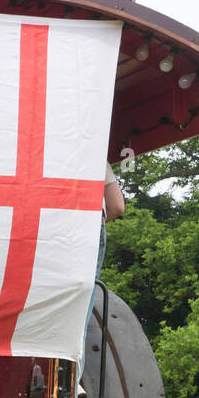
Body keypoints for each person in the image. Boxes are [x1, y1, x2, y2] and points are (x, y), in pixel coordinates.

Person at [79, 162, 125, 385]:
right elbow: (117, 205)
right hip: (86, 225)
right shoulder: (89, 142)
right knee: (76, 317)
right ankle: (67, 391)